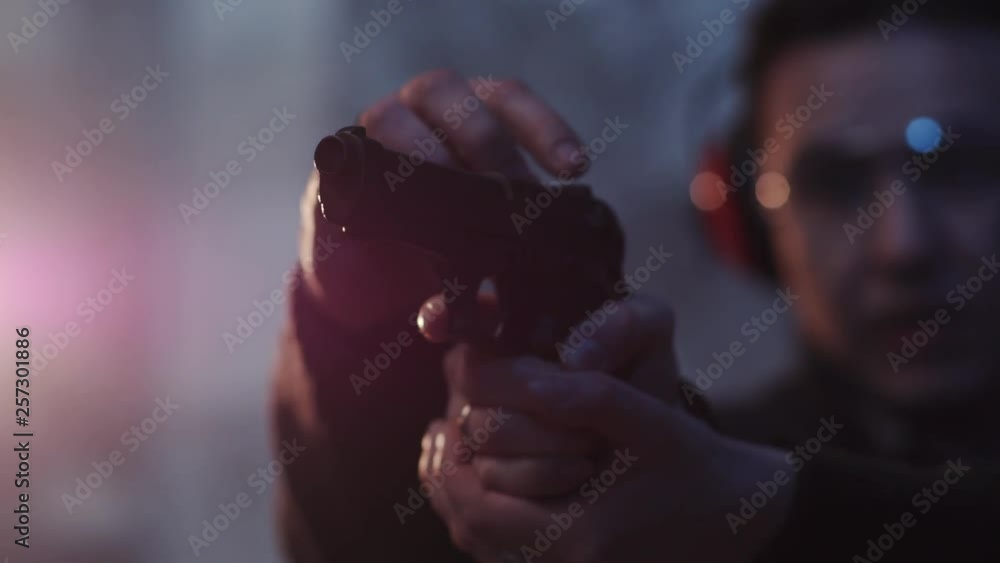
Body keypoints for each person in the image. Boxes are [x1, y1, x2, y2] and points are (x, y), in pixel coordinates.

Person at [271, 0, 1000, 561]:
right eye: (834, 184)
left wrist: (769, 512)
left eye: (963, 169)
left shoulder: (708, 485)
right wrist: (352, 332)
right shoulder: (683, 470)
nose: (904, 245)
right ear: (743, 217)